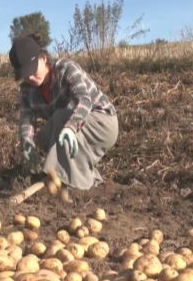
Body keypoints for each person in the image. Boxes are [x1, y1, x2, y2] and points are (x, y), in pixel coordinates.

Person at [9, 34, 118, 190]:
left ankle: (71, 184)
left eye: (33, 71)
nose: (31, 78)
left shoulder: (66, 69)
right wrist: (27, 143)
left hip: (103, 123)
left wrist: (71, 127)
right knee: (45, 138)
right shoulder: (27, 90)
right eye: (25, 75)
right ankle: (86, 176)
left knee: (60, 118)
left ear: (43, 58)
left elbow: (84, 100)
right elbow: (26, 120)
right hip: (75, 125)